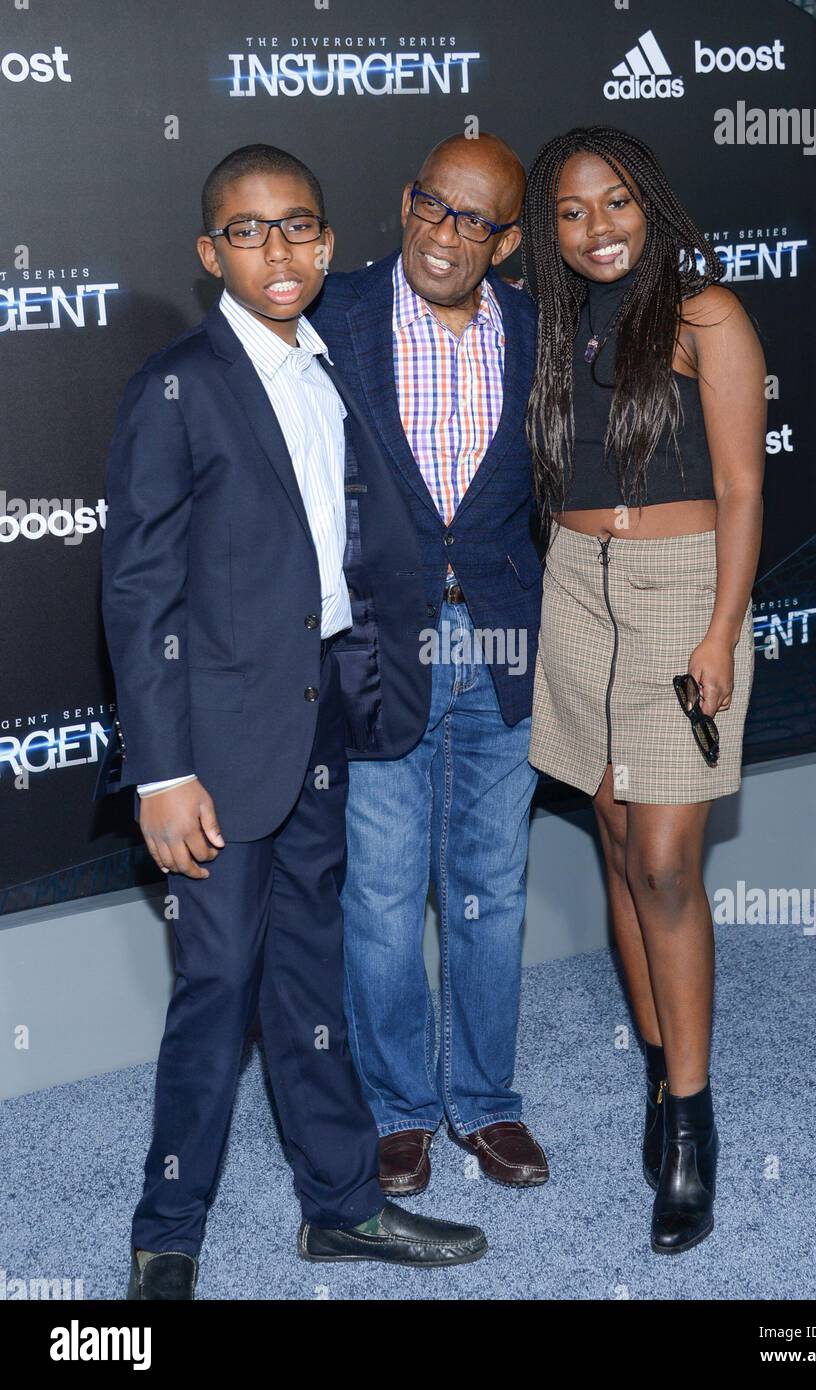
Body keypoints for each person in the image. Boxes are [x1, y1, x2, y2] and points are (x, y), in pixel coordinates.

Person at [96, 143, 488, 1299]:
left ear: (328, 241)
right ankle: (168, 1233)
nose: (279, 249)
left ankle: (343, 1206)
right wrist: (161, 772)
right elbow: (139, 595)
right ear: (210, 251)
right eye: (249, 229)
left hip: (319, 721)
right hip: (212, 746)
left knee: (310, 979)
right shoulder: (175, 387)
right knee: (218, 986)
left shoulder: (331, 371)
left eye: (300, 225)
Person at [521, 126, 765, 1253]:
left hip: (683, 593)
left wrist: (720, 629)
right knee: (619, 848)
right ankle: (661, 1079)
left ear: (650, 202)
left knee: (665, 862)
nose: (597, 228)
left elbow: (741, 487)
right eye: (571, 211)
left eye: (615, 201)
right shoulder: (553, 322)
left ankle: (694, 1122)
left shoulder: (707, 315)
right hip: (577, 587)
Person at [308, 133, 548, 1195]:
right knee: (381, 894)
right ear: (408, 200)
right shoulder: (333, 314)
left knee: (493, 886)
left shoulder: (538, 332)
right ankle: (398, 1108)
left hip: (507, 640)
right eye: (433, 206)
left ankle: (487, 1104)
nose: (446, 234)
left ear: (508, 240)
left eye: (475, 220)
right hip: (377, 645)